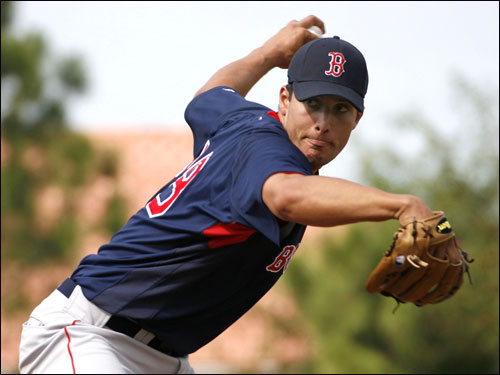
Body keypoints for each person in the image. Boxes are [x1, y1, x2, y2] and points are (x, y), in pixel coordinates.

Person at [18, 15, 434, 374]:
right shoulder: (267, 153)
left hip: (160, 358)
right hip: (90, 336)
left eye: (339, 109)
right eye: (313, 103)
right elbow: (285, 195)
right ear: (285, 100)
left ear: (356, 119)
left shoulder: (242, 118)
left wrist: (267, 55)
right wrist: (401, 205)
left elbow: (208, 97)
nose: (323, 122)